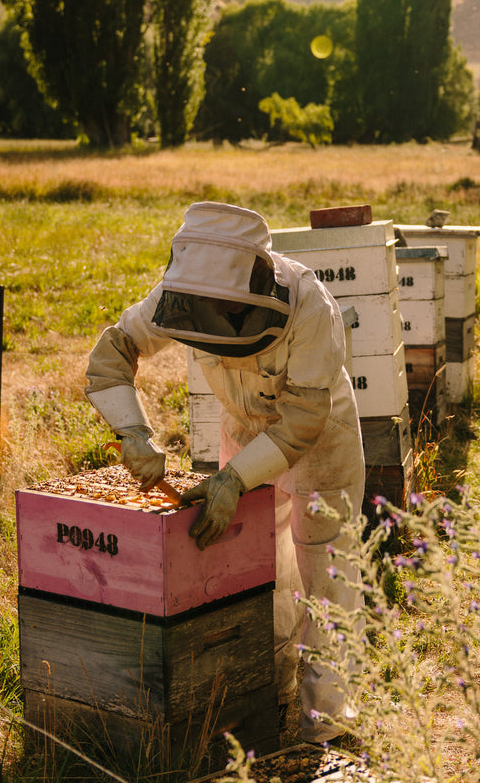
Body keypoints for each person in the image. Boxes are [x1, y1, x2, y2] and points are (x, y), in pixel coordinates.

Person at [84, 201, 366, 745]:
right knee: (260, 568)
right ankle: (269, 691)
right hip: (240, 429)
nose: (213, 319)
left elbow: (302, 420)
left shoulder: (311, 306)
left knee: (328, 576)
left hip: (318, 440)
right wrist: (133, 433)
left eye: (226, 311)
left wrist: (235, 479)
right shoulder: (178, 297)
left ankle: (326, 724)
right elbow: (113, 350)